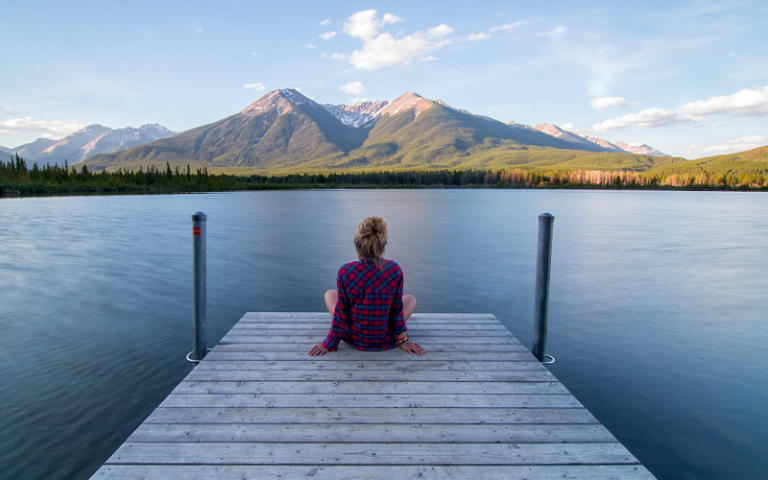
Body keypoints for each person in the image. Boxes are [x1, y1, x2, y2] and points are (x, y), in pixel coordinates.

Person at [308, 216, 424, 356]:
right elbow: (396, 310)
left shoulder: (346, 271)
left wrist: (329, 343)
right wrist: (403, 340)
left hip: (355, 338)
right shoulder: (395, 270)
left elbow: (341, 313)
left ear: (357, 243)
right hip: (384, 337)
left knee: (330, 294)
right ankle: (394, 335)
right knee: (410, 299)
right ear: (382, 245)